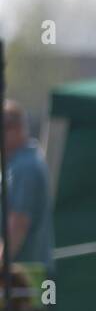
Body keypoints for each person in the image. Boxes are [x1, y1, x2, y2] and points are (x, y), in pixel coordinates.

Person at [1, 100, 55, 271]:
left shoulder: (25, 167)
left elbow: (19, 223)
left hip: (29, 276)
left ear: (16, 129)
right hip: (24, 273)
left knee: (47, 299)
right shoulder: (16, 165)